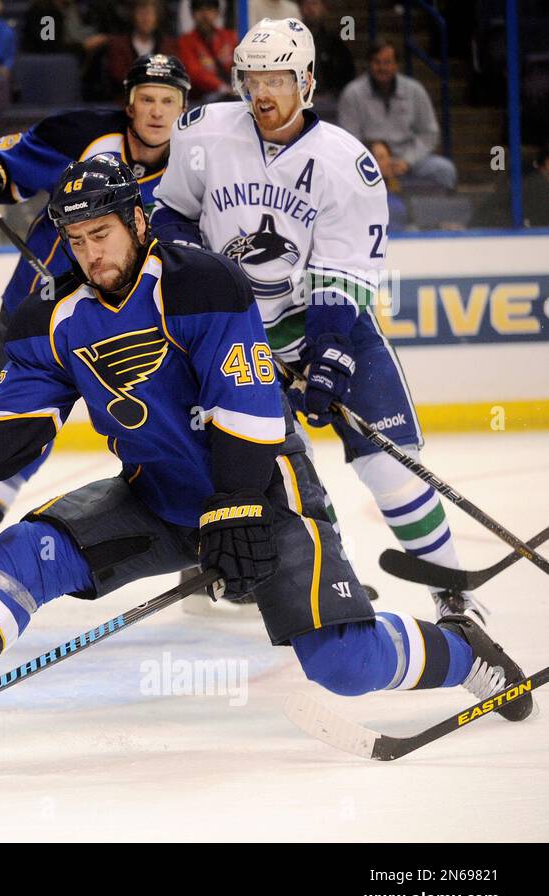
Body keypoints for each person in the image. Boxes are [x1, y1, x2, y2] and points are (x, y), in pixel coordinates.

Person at [0, 153, 533, 737]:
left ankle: (468, 655)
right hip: (153, 499)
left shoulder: (199, 285)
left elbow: (246, 411)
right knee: (31, 549)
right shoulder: (51, 321)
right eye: (78, 241)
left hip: (264, 495)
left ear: (138, 221)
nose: (90, 253)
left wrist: (236, 509)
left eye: (102, 235)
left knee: (342, 661)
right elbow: (12, 425)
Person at [153, 17, 480, 620]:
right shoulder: (204, 132)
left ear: (306, 80)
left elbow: (341, 276)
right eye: (251, 79)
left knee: (388, 464)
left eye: (276, 78)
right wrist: (196, 267)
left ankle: (454, 593)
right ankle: (304, 572)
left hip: (321, 322)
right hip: (238, 333)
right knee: (257, 461)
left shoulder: (344, 163)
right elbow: (171, 214)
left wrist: (328, 353)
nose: (262, 93)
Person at [0, 52, 190, 610]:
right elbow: (7, 166)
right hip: (39, 319)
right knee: (14, 438)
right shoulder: (85, 135)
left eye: (170, 101)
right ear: (129, 101)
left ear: (184, 109)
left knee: (179, 439)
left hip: (139, 335)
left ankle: (218, 548)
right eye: (147, 99)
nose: (157, 113)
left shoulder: (199, 161)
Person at [337, 41, 456, 191]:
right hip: (368, 159)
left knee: (445, 169)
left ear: (396, 65)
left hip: (407, 157)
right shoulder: (352, 93)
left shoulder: (415, 90)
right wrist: (372, 159)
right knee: (343, 175)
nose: (382, 68)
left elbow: (429, 133)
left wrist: (407, 160)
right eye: (377, 62)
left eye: (387, 62)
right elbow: (348, 138)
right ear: (369, 64)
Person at [19, 0, 111, 102]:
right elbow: (50, 49)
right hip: (45, 77)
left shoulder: (71, 9)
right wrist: (85, 46)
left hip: (73, 70)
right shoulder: (44, 13)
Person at [106, 0, 175, 101]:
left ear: (157, 18)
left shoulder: (167, 45)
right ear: (133, 16)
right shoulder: (119, 44)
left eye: (150, 14)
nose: (146, 19)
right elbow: (118, 75)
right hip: (125, 101)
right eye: (141, 14)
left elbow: (171, 74)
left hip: (160, 100)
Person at [176, 0, 235, 101]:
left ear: (217, 13)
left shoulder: (229, 37)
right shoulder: (185, 41)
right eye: (199, 10)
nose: (205, 15)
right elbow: (195, 73)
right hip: (200, 99)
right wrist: (221, 87)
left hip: (231, 93)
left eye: (209, 9)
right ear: (193, 14)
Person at [299, 0, 353, 97]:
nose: (310, 8)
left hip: (328, 99)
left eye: (314, 3)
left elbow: (347, 75)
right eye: (306, 4)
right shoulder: (292, 40)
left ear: (324, 8)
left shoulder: (334, 43)